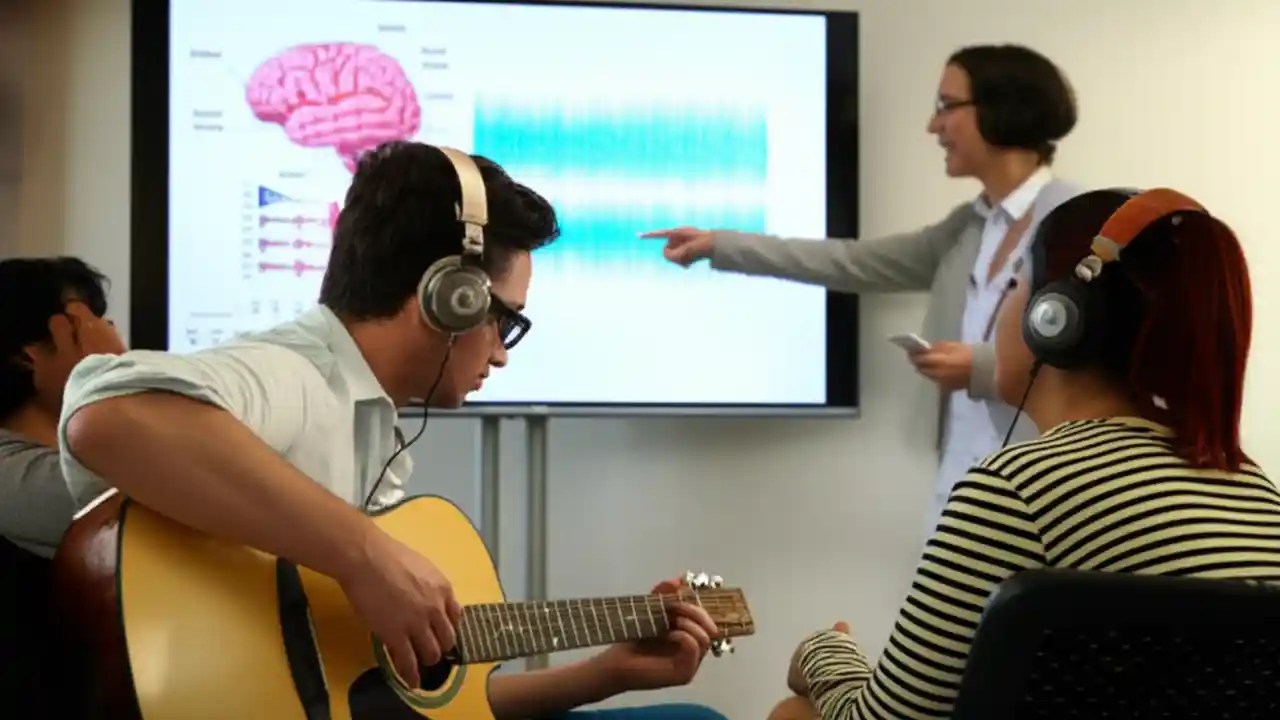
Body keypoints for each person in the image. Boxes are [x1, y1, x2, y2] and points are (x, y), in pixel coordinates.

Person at [55, 142, 726, 720]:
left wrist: (602, 674)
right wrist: (363, 553)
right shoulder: (295, 379)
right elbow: (105, 415)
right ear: (450, 296)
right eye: (505, 321)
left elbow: (414, 706)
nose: (501, 353)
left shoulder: (372, 428)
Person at [767, 186, 1280, 720]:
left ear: (1054, 317)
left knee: (794, 713)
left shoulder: (1017, 489)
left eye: (1013, 283)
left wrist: (823, 651)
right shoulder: (1253, 486)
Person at [643, 44, 1082, 531]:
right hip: (965, 486)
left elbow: (1098, 365)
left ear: (1001, 109)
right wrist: (719, 245)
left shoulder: (1077, 218)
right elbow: (854, 262)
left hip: (1038, 497)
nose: (932, 127)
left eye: (945, 106)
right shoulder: (971, 226)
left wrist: (981, 366)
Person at [0, 256, 126, 715]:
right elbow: (141, 501)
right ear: (28, 352)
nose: (109, 332)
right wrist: (110, 371)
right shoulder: (11, 473)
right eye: (84, 323)